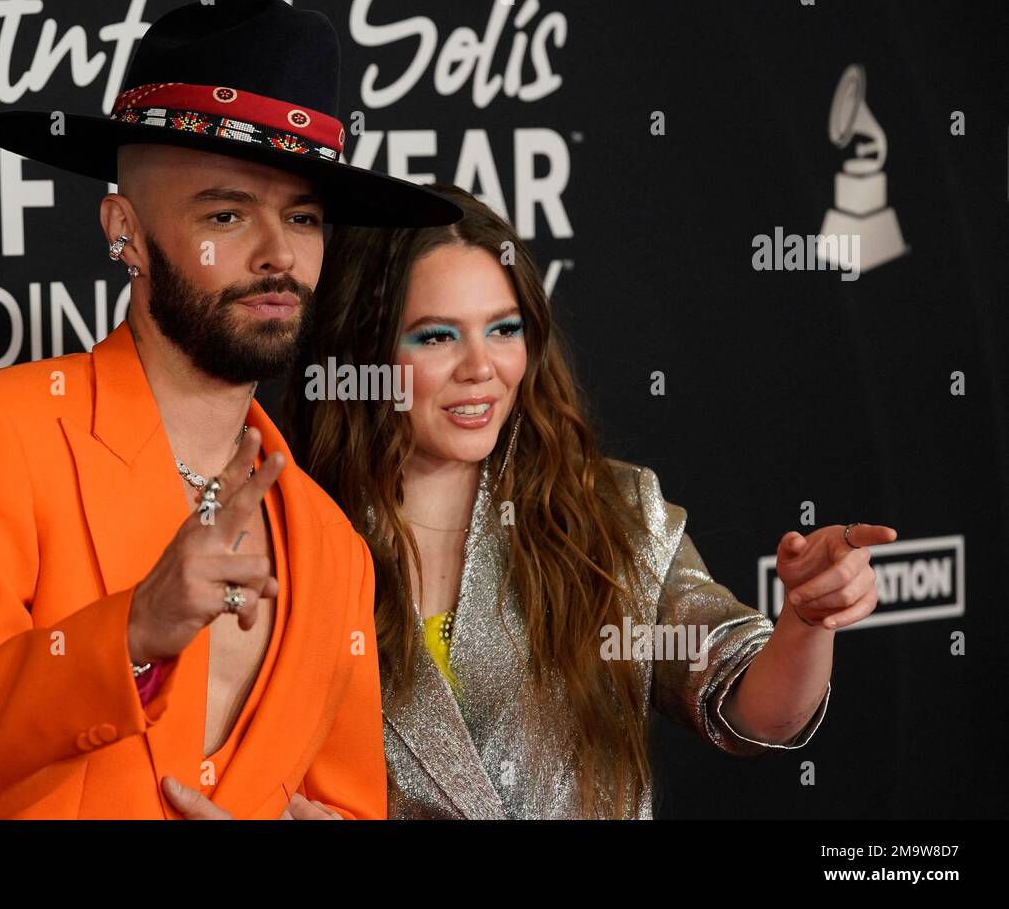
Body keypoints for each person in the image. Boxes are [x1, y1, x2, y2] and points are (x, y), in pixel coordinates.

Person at [0, 0, 463, 820]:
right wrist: (130, 634)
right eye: (226, 213)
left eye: (304, 218)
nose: (279, 253)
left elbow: (346, 806)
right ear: (125, 233)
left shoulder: (331, 549)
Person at [285, 181, 895, 818]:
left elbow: (752, 710)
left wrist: (806, 621)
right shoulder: (293, 535)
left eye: (503, 329)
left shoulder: (609, 512)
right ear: (361, 349)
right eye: (436, 336)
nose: (480, 367)